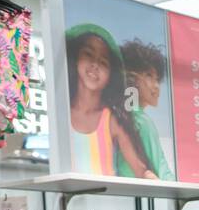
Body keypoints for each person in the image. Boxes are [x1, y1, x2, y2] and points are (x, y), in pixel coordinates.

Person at [65, 23, 155, 179]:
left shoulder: (110, 119)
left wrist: (152, 178)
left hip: (106, 201)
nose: (95, 65)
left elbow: (140, 169)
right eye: (88, 54)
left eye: (103, 62)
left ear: (111, 76)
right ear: (76, 58)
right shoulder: (62, 114)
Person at [119, 39, 175, 181]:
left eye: (157, 79)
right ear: (132, 77)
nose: (156, 86)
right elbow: (162, 170)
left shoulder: (121, 117)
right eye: (149, 76)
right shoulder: (141, 121)